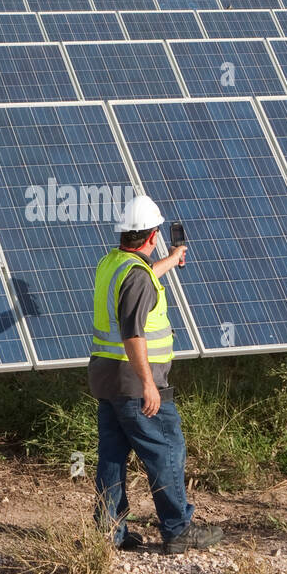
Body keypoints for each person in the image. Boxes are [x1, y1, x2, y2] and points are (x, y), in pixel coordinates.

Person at [88, 195, 224, 555]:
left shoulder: (112, 263)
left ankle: (108, 533)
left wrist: (170, 260)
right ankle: (178, 530)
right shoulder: (137, 278)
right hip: (136, 384)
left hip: (107, 379)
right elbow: (133, 332)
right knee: (166, 452)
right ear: (152, 235)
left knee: (113, 456)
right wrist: (149, 384)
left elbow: (140, 279)